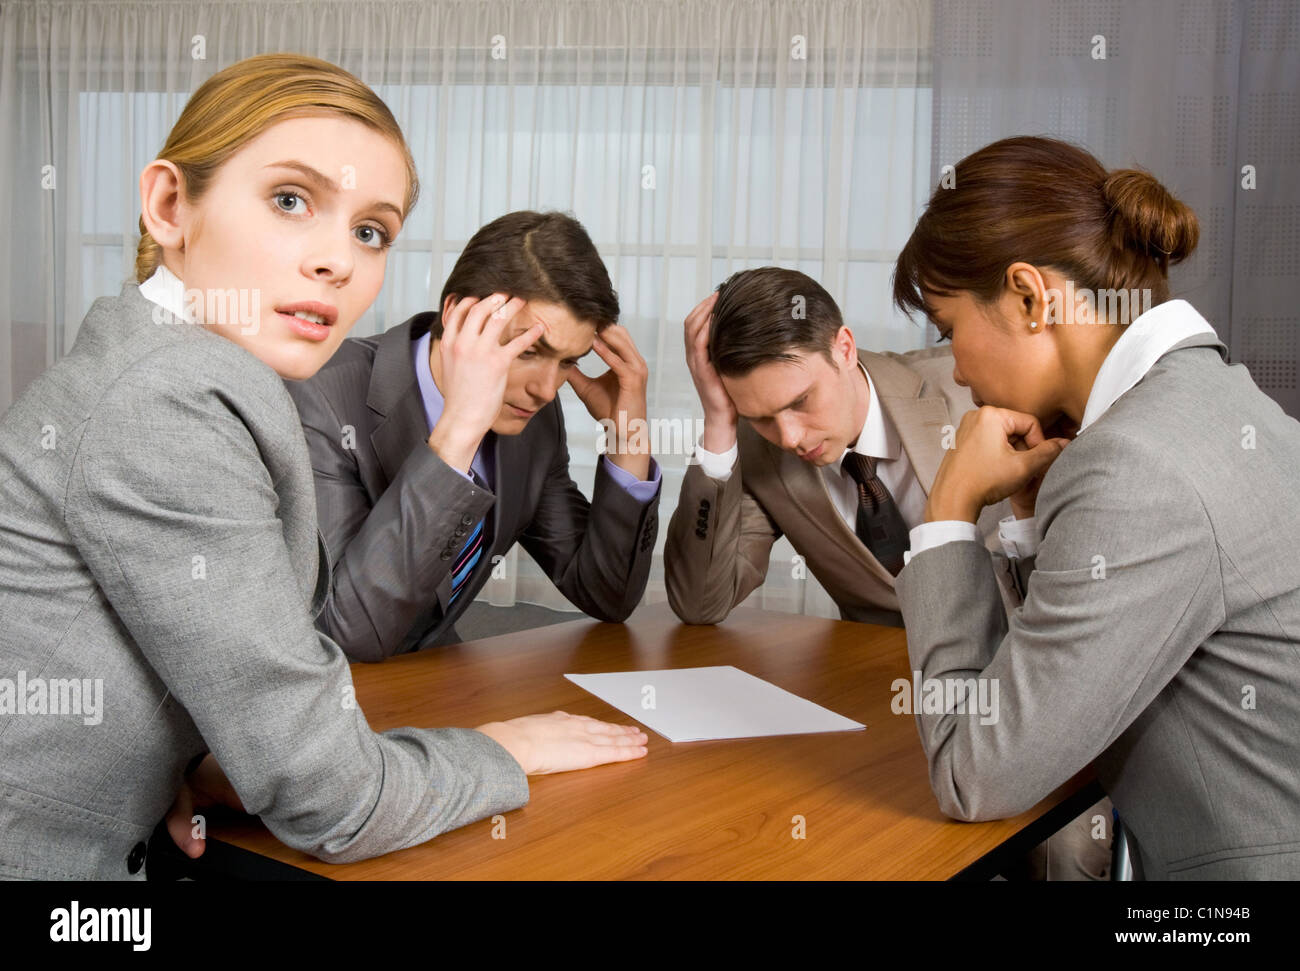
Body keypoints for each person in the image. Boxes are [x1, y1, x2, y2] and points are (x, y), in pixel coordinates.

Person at [0, 53, 645, 882]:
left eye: (370, 232)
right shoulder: (174, 398)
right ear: (169, 205)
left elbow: (211, 644)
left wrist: (179, 759)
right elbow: (333, 799)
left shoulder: (174, 365)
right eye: (290, 200)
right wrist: (504, 748)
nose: (338, 261)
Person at [892, 134, 1300, 879]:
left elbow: (972, 771)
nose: (956, 369)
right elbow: (1054, 694)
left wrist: (947, 512)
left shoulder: (1135, 465)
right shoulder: (1210, 403)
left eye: (950, 330)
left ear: (1028, 297)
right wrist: (1028, 513)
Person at [285, 211, 660, 661]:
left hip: (436, 678)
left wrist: (628, 439)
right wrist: (458, 433)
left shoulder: (534, 419)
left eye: (567, 362)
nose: (545, 390)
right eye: (528, 351)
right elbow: (348, 634)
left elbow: (607, 595)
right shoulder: (321, 395)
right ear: (457, 315)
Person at [665, 267, 1023, 629]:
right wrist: (718, 421)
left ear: (845, 349)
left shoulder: (974, 386)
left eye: (801, 401)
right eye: (759, 417)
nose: (789, 438)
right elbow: (700, 603)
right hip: (872, 660)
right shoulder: (760, 453)